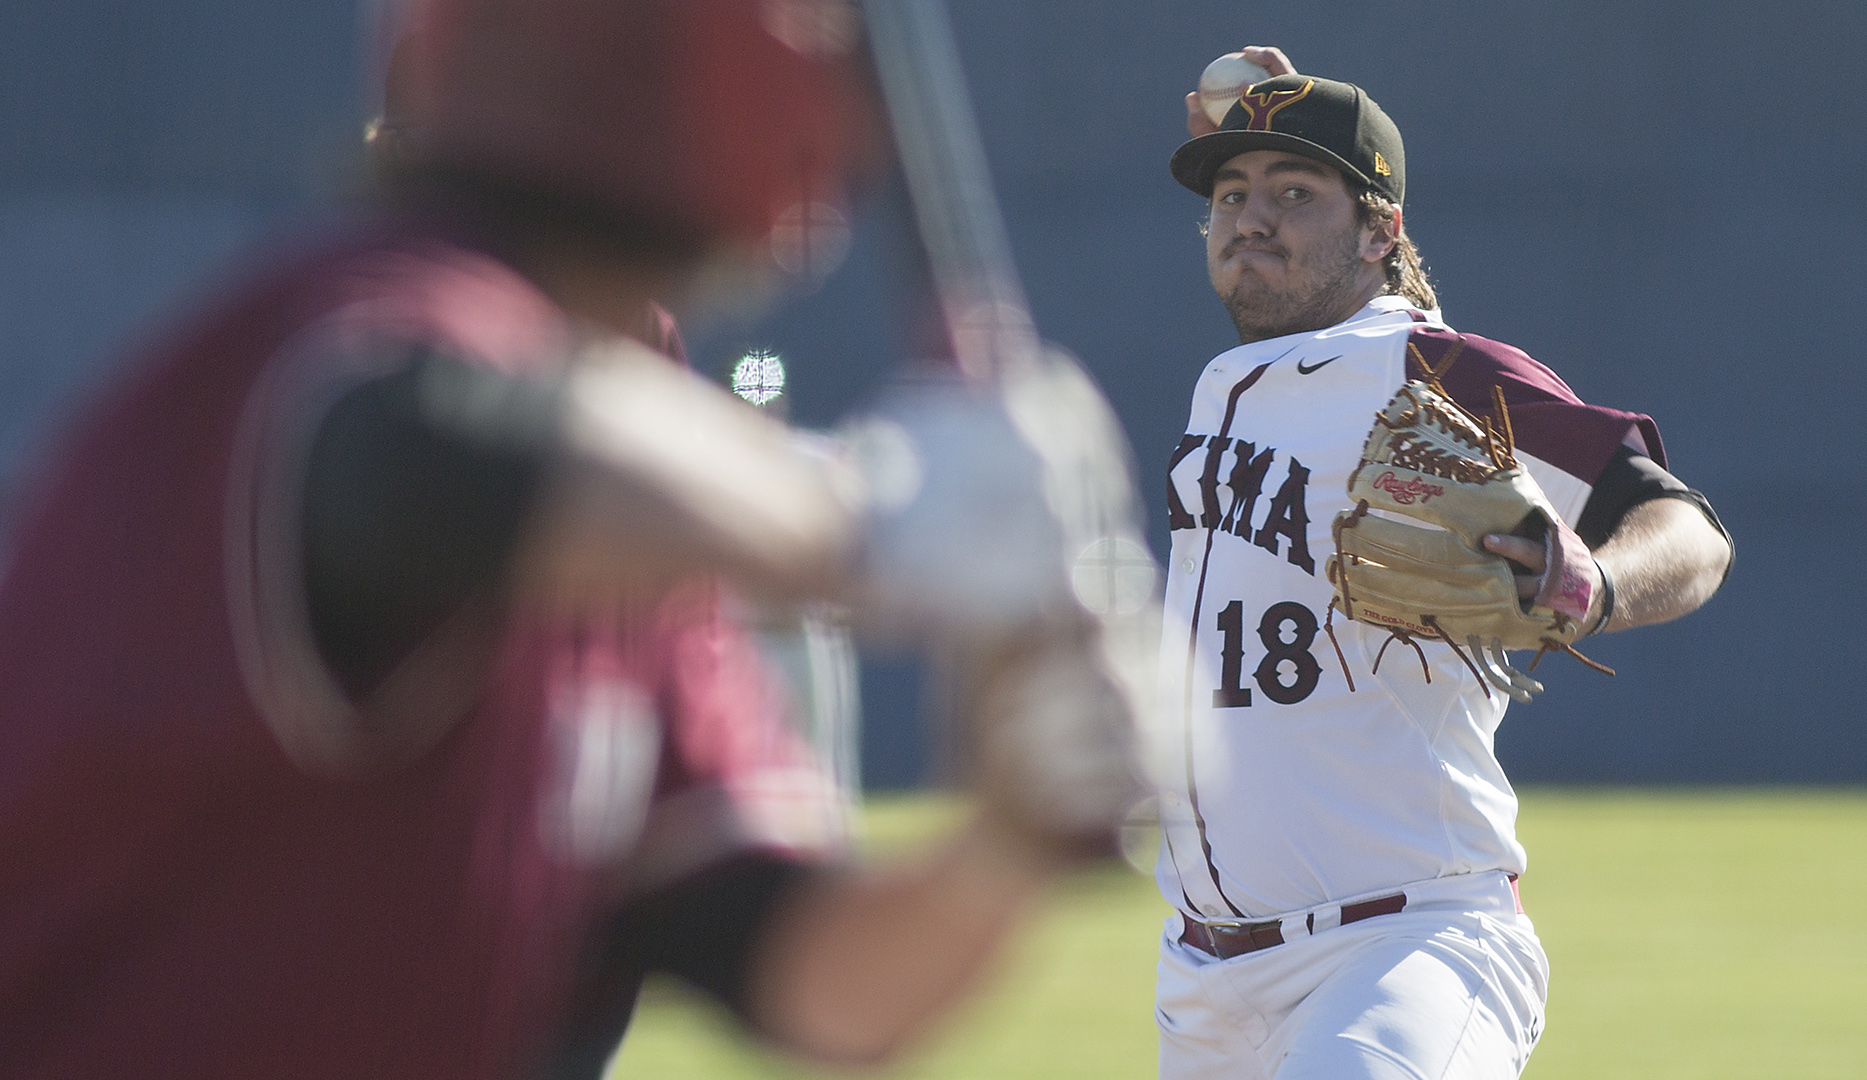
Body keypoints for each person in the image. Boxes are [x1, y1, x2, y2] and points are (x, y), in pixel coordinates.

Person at [0, 2, 1137, 1077]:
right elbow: (441, 457)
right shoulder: (356, 328)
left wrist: (1002, 847)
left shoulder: (629, 492)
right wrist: (874, 513)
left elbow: (800, 971)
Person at [1153, 48, 1733, 1079]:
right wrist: (1254, 110)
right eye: (1232, 193)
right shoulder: (1220, 386)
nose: (1251, 216)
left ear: (1382, 232)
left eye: (1296, 192)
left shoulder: (1433, 370)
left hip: (1403, 946)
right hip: (1204, 982)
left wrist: (1590, 586)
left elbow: (1690, 535)